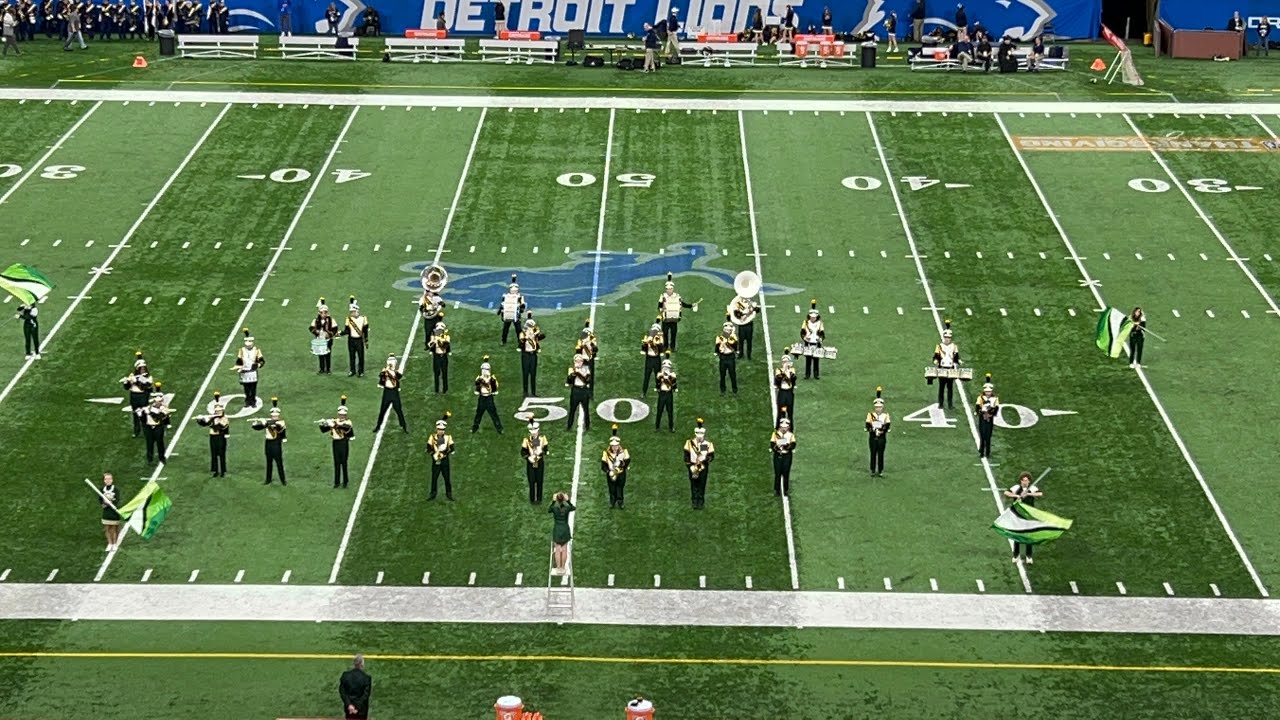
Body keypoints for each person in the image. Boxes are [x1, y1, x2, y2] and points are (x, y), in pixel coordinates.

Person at [1003, 472, 1043, 563]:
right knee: (1017, 535)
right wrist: (1017, 495)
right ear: (1020, 480)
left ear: (1029, 481)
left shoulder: (1032, 488)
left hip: (1028, 516)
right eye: (1023, 480)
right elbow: (1006, 492)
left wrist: (1028, 494)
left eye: (1027, 480)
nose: (1025, 482)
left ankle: (1029, 556)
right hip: (1018, 515)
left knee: (1028, 536)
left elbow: (1040, 494)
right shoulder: (1016, 488)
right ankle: (1016, 555)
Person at [320, 396, 355, 488]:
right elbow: (323, 430)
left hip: (343, 443)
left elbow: (345, 428)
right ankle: (336, 482)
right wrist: (323, 424)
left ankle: (345, 482)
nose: (341, 416)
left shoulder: (348, 422)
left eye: (343, 415)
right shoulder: (335, 421)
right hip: (335, 443)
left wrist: (334, 424)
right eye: (340, 415)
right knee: (336, 462)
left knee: (344, 462)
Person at [251, 398, 287, 485]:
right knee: (269, 462)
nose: (274, 417)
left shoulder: (281, 422)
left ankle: (283, 480)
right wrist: (255, 424)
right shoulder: (268, 422)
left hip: (276, 443)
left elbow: (279, 429)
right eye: (273, 416)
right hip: (268, 443)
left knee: (279, 462)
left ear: (278, 415)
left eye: (276, 415)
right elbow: (259, 428)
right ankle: (268, 479)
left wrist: (266, 423)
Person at [195, 392, 230, 477]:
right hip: (213, 437)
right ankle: (215, 470)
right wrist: (200, 420)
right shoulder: (212, 418)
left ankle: (222, 471)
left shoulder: (224, 418)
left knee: (221, 454)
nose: (218, 412)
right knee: (213, 454)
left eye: (219, 411)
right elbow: (204, 424)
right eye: (216, 411)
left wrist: (213, 421)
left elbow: (222, 427)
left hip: (220, 437)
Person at [683, 418, 715, 509]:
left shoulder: (708, 444)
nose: (700, 436)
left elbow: (711, 456)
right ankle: (694, 501)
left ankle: (700, 501)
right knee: (694, 484)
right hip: (692, 466)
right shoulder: (689, 443)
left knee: (702, 484)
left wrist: (704, 462)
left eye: (701, 434)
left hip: (703, 467)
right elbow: (686, 456)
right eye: (698, 434)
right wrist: (691, 466)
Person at [121, 353, 153, 437]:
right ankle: (136, 431)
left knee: (144, 414)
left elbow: (145, 387)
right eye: (141, 369)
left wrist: (136, 381)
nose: (143, 370)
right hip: (134, 396)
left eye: (144, 369)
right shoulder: (133, 376)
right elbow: (127, 388)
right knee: (135, 414)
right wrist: (127, 382)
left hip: (143, 397)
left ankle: (147, 430)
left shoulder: (148, 377)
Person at [657, 273, 694, 350]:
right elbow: (659, 306)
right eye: (667, 289)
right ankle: (665, 346)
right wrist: (661, 310)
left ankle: (673, 347)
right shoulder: (663, 296)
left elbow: (682, 304)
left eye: (670, 289)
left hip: (674, 319)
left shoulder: (677, 296)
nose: (669, 290)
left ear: (673, 289)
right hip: (665, 319)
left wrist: (691, 305)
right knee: (665, 333)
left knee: (673, 333)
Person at [374, 354, 407, 433]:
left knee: (399, 410)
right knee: (383, 410)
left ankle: (404, 426)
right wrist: (386, 370)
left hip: (394, 392)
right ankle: (378, 426)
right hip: (387, 392)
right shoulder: (385, 372)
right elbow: (381, 376)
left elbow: (399, 376)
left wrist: (392, 370)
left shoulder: (395, 372)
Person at [233, 329, 265, 410]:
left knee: (253, 389)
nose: (248, 346)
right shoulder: (241, 350)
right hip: (244, 372)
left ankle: (253, 401)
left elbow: (262, 361)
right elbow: (239, 361)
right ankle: (247, 401)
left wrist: (258, 364)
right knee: (246, 389)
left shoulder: (257, 351)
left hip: (253, 372)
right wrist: (238, 367)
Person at [471, 355, 503, 433]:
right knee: (479, 413)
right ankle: (474, 428)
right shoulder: (479, 379)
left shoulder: (492, 379)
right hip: (482, 398)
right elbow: (477, 386)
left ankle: (499, 428)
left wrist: (494, 390)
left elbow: (494, 387)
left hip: (489, 398)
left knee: (494, 414)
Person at [932, 321, 960, 409]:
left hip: (950, 368)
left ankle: (950, 404)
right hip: (942, 368)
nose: (947, 339)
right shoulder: (939, 346)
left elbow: (956, 357)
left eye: (949, 338)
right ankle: (940, 403)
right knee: (941, 387)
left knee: (950, 388)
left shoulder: (954, 346)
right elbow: (935, 356)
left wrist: (958, 361)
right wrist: (936, 361)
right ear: (943, 337)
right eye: (946, 337)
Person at [140, 385, 171, 464]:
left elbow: (160, 417)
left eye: (159, 401)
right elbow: (142, 419)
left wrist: (150, 412)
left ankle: (162, 457)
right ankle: (149, 459)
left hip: (158, 427)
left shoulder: (164, 409)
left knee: (160, 443)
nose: (158, 403)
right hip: (148, 427)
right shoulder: (148, 407)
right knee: (149, 443)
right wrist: (142, 413)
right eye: (156, 401)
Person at [601, 424, 629, 508]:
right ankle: (612, 502)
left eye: (616, 446)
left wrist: (620, 466)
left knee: (620, 488)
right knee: (612, 489)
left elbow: (627, 462)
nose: (614, 447)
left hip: (620, 473)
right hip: (611, 473)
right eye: (613, 446)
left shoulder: (624, 452)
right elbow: (603, 465)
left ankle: (620, 502)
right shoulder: (606, 453)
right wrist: (608, 471)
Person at [427, 412, 454, 500]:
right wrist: (434, 455)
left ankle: (449, 493)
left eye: (442, 429)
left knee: (447, 478)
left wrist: (444, 454)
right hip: (435, 461)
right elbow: (428, 448)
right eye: (439, 429)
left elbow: (451, 448)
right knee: (434, 478)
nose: (440, 431)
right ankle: (433, 493)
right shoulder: (432, 437)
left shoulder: (448, 438)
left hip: (445, 461)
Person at [521, 421, 548, 504]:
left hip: (539, 462)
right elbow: (523, 452)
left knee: (540, 481)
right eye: (532, 432)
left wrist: (541, 452)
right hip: (530, 463)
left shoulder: (543, 438)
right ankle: (532, 499)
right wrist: (528, 458)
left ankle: (539, 499)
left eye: (535, 432)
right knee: (531, 482)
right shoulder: (526, 440)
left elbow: (546, 450)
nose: (534, 434)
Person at [340, 299, 369, 377]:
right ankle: (352, 370)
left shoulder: (363, 319)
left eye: (352, 311)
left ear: (357, 311)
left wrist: (366, 340)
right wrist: (340, 334)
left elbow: (365, 331)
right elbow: (347, 330)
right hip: (351, 340)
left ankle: (361, 371)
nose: (351, 313)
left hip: (359, 340)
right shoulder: (348, 319)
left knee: (360, 356)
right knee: (352, 356)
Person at [865, 387, 890, 477]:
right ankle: (872, 469)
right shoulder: (870, 415)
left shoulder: (885, 415)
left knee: (880, 454)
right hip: (872, 437)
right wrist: (874, 431)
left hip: (882, 438)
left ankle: (880, 470)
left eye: (880, 407)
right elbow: (868, 425)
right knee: (873, 453)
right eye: (877, 407)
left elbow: (887, 426)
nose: (878, 409)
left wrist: (881, 432)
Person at [770, 409, 796, 496]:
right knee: (777, 474)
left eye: (785, 427)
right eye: (782, 427)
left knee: (786, 474)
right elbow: (772, 444)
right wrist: (777, 447)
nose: (784, 428)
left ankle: (785, 490)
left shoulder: (790, 435)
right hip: (778, 456)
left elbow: (793, 445)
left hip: (787, 456)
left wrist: (785, 445)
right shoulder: (775, 434)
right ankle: (777, 490)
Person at [338, 654, 372, 720]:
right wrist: (357, 707)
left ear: (354, 663)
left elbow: (342, 692)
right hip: (361, 711)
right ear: (362, 664)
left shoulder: (345, 675)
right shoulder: (366, 678)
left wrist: (349, 705)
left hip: (349, 710)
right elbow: (366, 695)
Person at [518, 313, 544, 397]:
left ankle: (533, 392)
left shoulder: (534, 333)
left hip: (533, 355)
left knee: (533, 374)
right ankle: (525, 392)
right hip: (525, 355)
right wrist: (527, 336)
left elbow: (542, 336)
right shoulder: (523, 334)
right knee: (525, 373)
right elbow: (521, 341)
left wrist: (536, 333)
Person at [309, 300, 338, 375]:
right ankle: (321, 368)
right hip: (320, 339)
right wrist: (317, 332)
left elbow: (335, 329)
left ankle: (328, 369)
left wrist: (330, 334)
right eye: (322, 313)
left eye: (325, 312)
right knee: (320, 354)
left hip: (328, 340)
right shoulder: (316, 320)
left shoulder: (331, 320)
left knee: (327, 354)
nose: (324, 314)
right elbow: (311, 328)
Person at [549, 491, 574, 575]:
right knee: (564, 549)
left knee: (557, 549)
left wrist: (553, 501)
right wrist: (568, 501)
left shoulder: (555, 509)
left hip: (557, 529)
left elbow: (549, 509)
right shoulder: (566, 509)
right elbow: (573, 507)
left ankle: (558, 567)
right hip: (565, 529)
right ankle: (563, 567)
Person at [564, 353, 592, 431]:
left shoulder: (586, 369)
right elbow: (569, 382)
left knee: (586, 409)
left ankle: (587, 426)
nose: (578, 362)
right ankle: (569, 426)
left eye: (580, 361)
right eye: (577, 361)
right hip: (575, 391)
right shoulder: (571, 369)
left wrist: (578, 373)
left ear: (582, 362)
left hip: (584, 390)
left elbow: (586, 380)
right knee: (572, 409)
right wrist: (572, 374)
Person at [799, 300, 825, 380]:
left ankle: (816, 374)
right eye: (812, 317)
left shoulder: (820, 323)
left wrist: (820, 339)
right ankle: (807, 374)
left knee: (816, 360)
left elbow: (822, 333)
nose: (813, 318)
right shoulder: (806, 322)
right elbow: (802, 332)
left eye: (814, 317)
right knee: (808, 360)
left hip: (816, 344)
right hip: (808, 343)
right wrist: (804, 338)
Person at [975, 374, 999, 459]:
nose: (988, 393)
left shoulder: (995, 398)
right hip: (982, 418)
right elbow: (977, 407)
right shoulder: (980, 398)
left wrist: (990, 413)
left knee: (988, 436)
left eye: (989, 391)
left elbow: (996, 408)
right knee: (982, 435)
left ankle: (988, 452)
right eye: (987, 391)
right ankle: (981, 451)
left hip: (990, 418)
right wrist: (982, 412)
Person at [497, 275, 525, 345]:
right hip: (514, 314)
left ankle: (505, 341)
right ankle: (517, 341)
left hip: (512, 314)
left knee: (511, 329)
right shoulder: (518, 296)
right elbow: (522, 307)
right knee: (516, 329)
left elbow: (502, 304)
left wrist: (499, 311)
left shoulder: (509, 296)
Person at [640, 321, 665, 396]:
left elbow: (643, 350)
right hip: (656, 359)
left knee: (647, 376)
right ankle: (659, 389)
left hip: (649, 359)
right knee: (657, 375)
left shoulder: (648, 336)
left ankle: (644, 392)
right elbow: (661, 351)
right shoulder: (659, 337)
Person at [574, 321, 598, 396]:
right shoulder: (580, 341)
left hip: (589, 360)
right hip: (583, 360)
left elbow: (595, 349)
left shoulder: (592, 341)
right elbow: (577, 350)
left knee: (590, 376)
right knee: (582, 375)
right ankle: (583, 390)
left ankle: (590, 393)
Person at [426, 319, 450, 394]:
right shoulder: (433, 336)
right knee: (436, 374)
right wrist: (433, 342)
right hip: (436, 356)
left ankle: (445, 389)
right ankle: (436, 389)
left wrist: (439, 341)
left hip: (443, 356)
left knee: (444, 373)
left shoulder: (446, 336)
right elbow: (429, 345)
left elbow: (445, 345)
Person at [99, 473, 121, 551]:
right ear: (104, 480)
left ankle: (114, 543)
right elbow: (100, 501)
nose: (108, 480)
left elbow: (117, 500)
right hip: (106, 511)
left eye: (109, 479)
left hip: (114, 511)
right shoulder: (102, 489)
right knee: (107, 528)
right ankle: (110, 543)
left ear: (112, 480)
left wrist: (111, 501)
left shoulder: (116, 489)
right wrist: (105, 503)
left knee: (114, 528)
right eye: (106, 479)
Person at [729, 295, 756, 359]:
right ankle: (741, 354)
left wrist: (751, 307)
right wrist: (748, 312)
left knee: (749, 340)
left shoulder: (750, 303)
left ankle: (749, 355)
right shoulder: (738, 305)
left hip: (749, 325)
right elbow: (741, 318)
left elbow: (756, 310)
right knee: (741, 340)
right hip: (742, 325)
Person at [714, 321, 738, 395]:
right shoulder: (720, 337)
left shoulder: (733, 337)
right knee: (722, 375)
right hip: (723, 357)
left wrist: (727, 340)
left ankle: (734, 389)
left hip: (730, 357)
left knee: (732, 374)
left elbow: (735, 345)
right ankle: (722, 389)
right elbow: (717, 346)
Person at [654, 355, 677, 432]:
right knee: (659, 410)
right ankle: (657, 426)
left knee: (670, 411)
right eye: (665, 367)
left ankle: (671, 427)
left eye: (667, 368)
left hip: (669, 393)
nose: (666, 369)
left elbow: (673, 385)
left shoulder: (672, 375)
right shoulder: (660, 375)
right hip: (662, 393)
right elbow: (658, 383)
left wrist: (668, 378)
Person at [774, 352, 797, 426]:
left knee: (790, 412)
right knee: (780, 412)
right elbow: (778, 378)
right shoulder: (778, 370)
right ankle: (778, 428)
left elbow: (793, 378)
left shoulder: (792, 370)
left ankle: (790, 428)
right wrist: (784, 371)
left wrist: (788, 371)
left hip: (789, 392)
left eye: (787, 361)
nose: (785, 363)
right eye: (784, 361)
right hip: (782, 392)